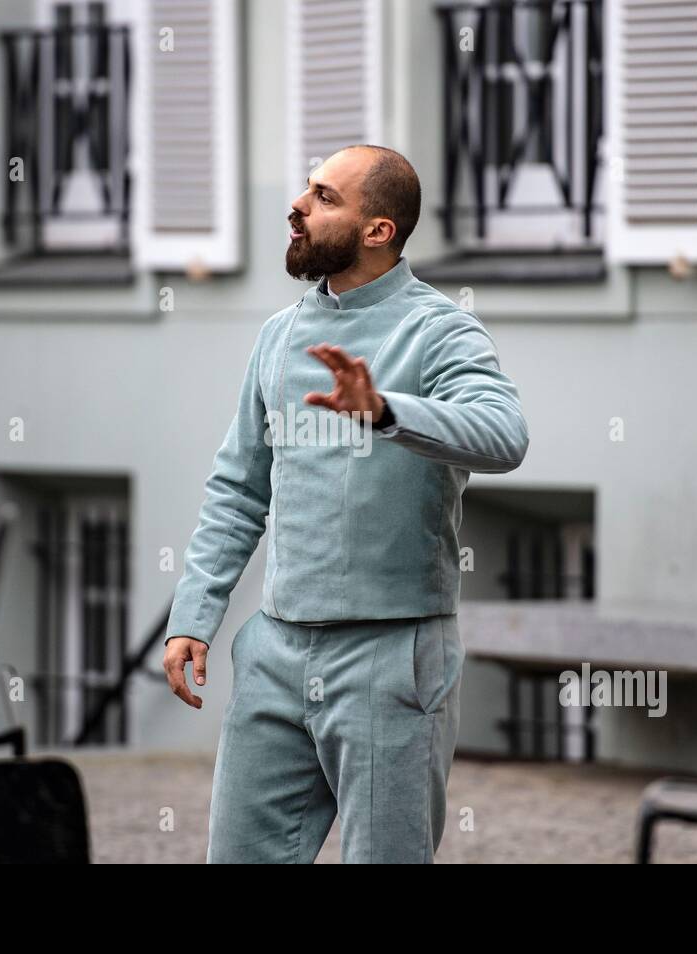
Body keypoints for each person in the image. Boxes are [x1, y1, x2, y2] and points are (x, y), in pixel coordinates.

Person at [162, 144, 529, 863]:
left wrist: (388, 409)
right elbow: (239, 489)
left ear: (378, 231)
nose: (298, 205)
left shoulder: (440, 330)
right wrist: (194, 616)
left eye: (324, 196)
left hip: (391, 656)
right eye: (305, 188)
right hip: (275, 651)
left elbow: (504, 436)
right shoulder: (278, 337)